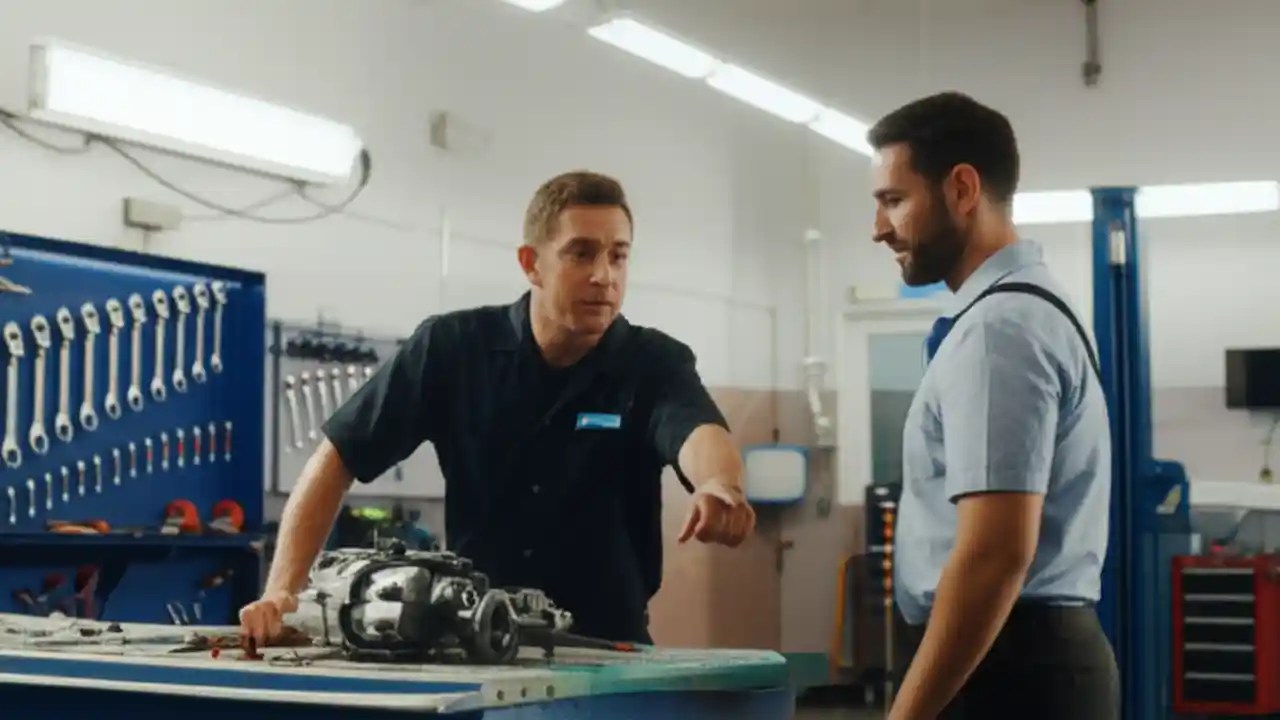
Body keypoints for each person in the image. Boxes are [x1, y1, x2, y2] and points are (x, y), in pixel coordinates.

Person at [239, 170, 756, 646]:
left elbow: (697, 431)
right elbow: (336, 457)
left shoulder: (653, 362)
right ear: (531, 263)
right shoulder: (451, 349)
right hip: (473, 645)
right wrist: (283, 591)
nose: (604, 275)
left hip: (608, 652)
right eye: (581, 253)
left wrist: (720, 484)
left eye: (618, 256)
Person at [866, 92, 1119, 719]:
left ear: (960, 189)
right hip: (1013, 656)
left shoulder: (998, 331)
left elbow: (995, 554)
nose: (878, 228)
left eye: (894, 200)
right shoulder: (1025, 308)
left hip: (1006, 669)